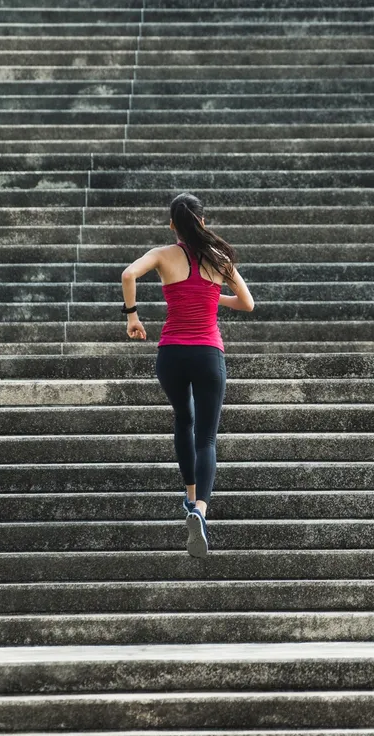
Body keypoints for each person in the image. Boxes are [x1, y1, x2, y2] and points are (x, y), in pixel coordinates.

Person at [119, 193, 255, 558]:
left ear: (172, 226)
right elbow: (247, 303)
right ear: (203, 223)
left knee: (184, 419)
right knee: (206, 437)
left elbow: (128, 274)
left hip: (171, 354)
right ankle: (200, 510)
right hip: (208, 354)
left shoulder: (163, 255)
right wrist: (212, 296)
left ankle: (190, 494)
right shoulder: (219, 258)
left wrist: (132, 316)